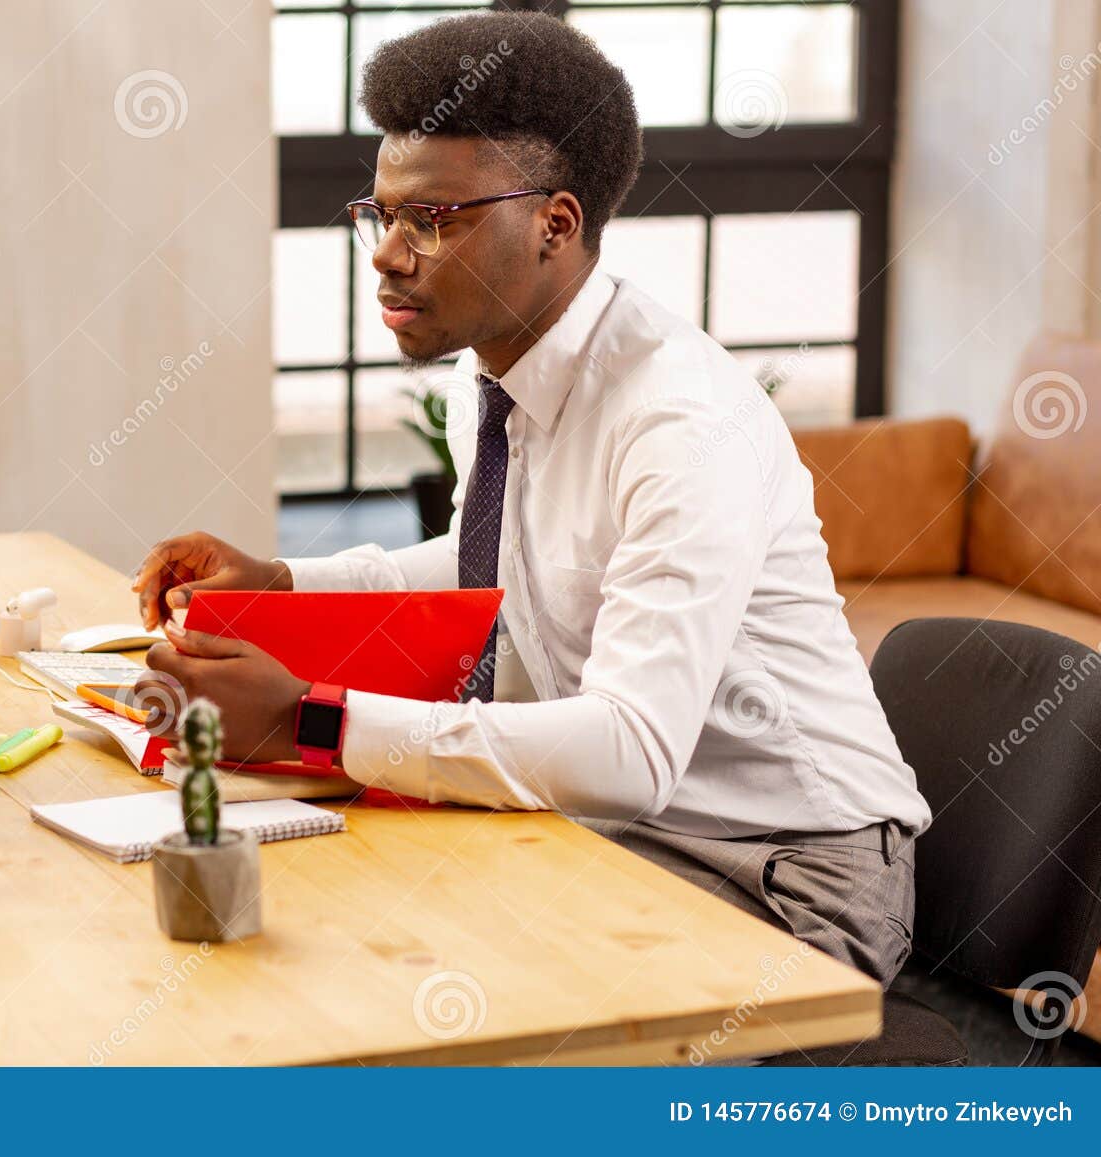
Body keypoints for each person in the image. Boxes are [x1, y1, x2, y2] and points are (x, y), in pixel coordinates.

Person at [131, 11, 929, 988]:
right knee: (352, 930)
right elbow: (494, 556)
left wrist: (309, 716)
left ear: (555, 223)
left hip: (785, 878)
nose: (387, 252)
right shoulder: (523, 373)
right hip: (624, 831)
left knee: (415, 992)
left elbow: (628, 747)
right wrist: (283, 579)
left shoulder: (677, 419)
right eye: (379, 214)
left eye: (432, 217)